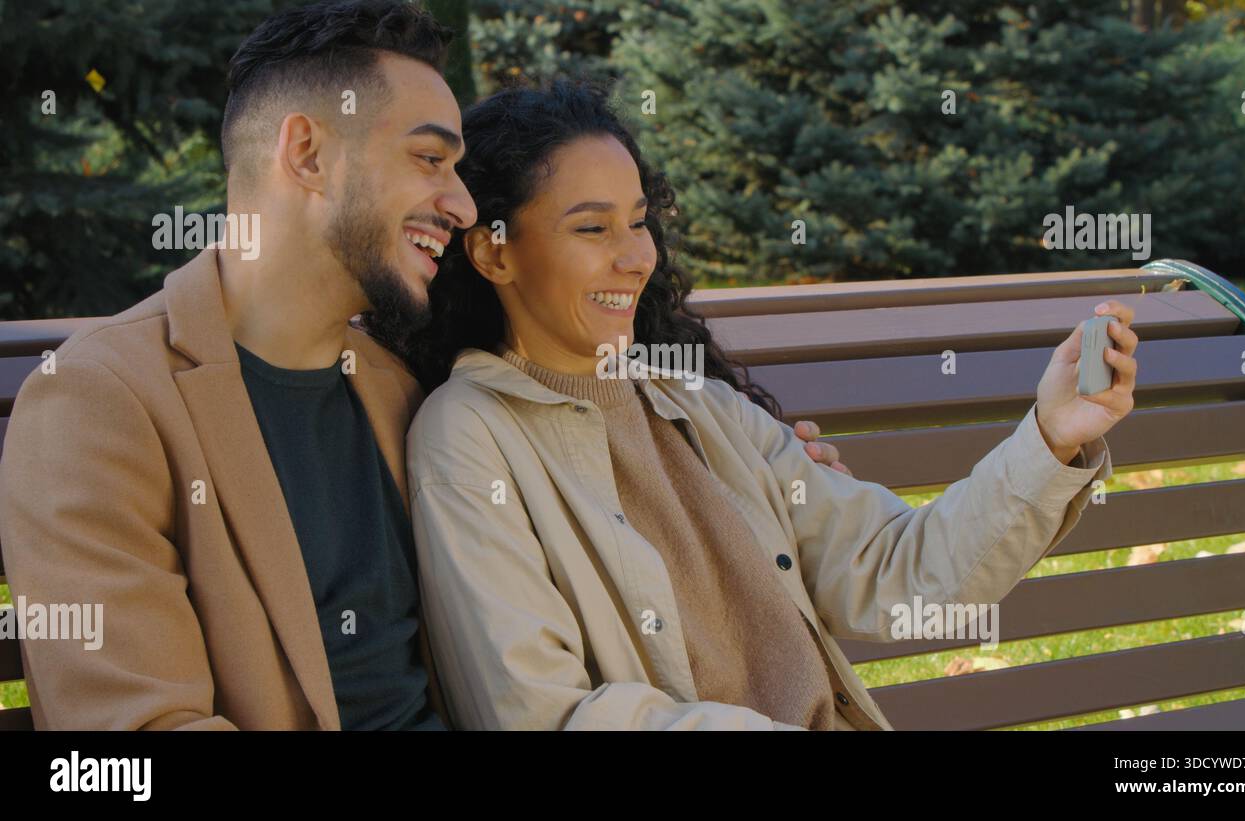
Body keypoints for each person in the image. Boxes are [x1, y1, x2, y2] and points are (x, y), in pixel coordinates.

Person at [0, 0, 844, 730]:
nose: (464, 203)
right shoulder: (98, 401)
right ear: (306, 152)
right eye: (431, 160)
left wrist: (765, 487)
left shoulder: (403, 390)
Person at [397, 81, 1133, 730]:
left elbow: (899, 571)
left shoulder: (701, 406)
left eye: (639, 219)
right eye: (592, 228)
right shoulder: (469, 437)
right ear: (494, 253)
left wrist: (1050, 436)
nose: (634, 256)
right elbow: (543, 713)